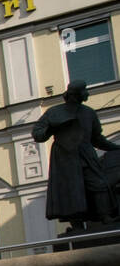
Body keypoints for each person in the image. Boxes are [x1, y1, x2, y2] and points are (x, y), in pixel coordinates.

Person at [32, 79, 120, 234]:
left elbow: (97, 139)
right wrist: (52, 128)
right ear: (74, 95)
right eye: (84, 91)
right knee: (70, 190)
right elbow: (38, 133)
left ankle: (105, 216)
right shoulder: (55, 112)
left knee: (99, 184)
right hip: (64, 156)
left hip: (86, 154)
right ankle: (77, 226)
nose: (87, 93)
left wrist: (116, 148)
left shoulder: (89, 113)